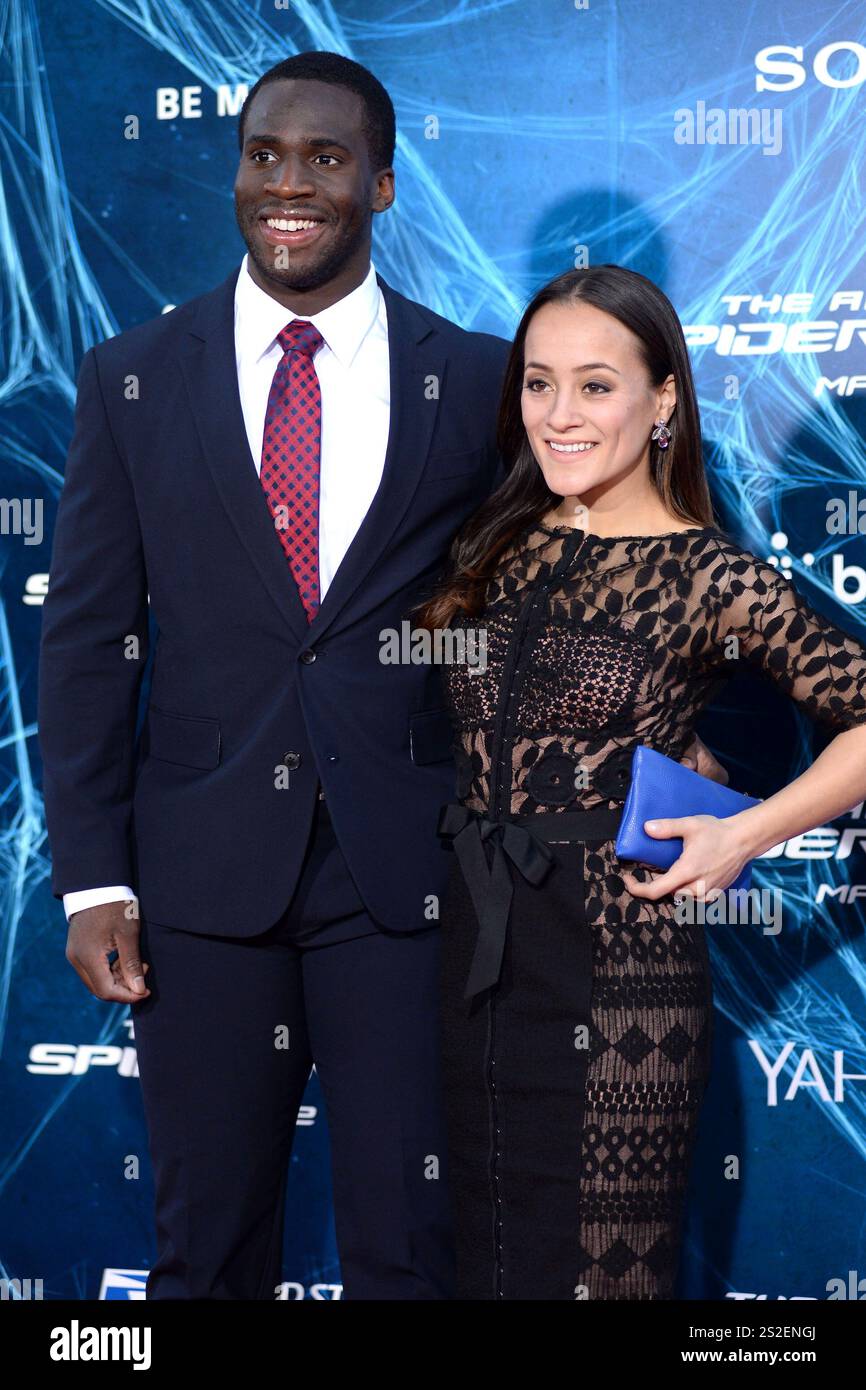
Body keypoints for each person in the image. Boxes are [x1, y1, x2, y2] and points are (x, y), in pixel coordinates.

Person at [38, 52, 723, 1299]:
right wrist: (91, 877)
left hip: (408, 884)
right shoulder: (132, 377)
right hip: (197, 885)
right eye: (263, 155)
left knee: (409, 1251)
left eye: (324, 158)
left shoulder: (471, 382)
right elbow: (85, 644)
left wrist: (665, 728)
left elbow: (560, 584)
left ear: (385, 185)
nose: (287, 185)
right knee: (204, 1249)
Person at [415, 263, 866, 1300]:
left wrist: (745, 832)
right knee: (487, 1265)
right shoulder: (493, 548)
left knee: (598, 1279)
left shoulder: (709, 573)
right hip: (476, 959)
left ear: (661, 398)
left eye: (594, 384)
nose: (558, 415)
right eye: (536, 383)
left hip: (618, 968)